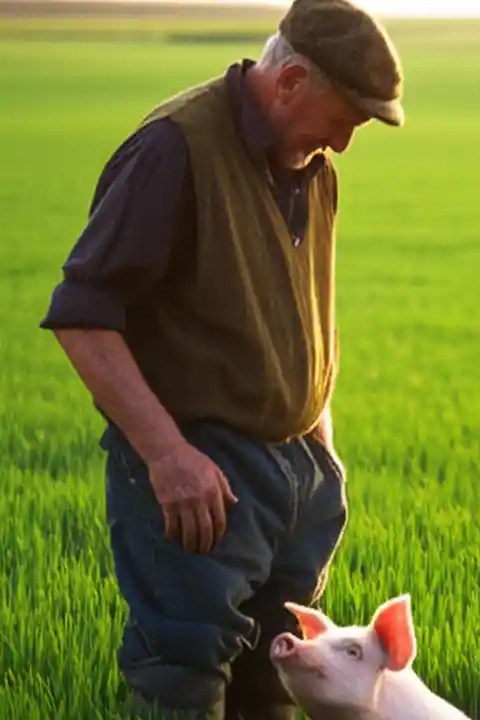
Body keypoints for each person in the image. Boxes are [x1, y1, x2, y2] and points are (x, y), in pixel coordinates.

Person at [38, 1, 404, 717]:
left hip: (296, 475)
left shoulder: (313, 166)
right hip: (201, 473)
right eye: (347, 118)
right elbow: (83, 317)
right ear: (291, 81)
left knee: (276, 672)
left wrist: (318, 451)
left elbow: (300, 314)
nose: (347, 142)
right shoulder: (174, 150)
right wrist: (168, 457)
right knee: (185, 671)